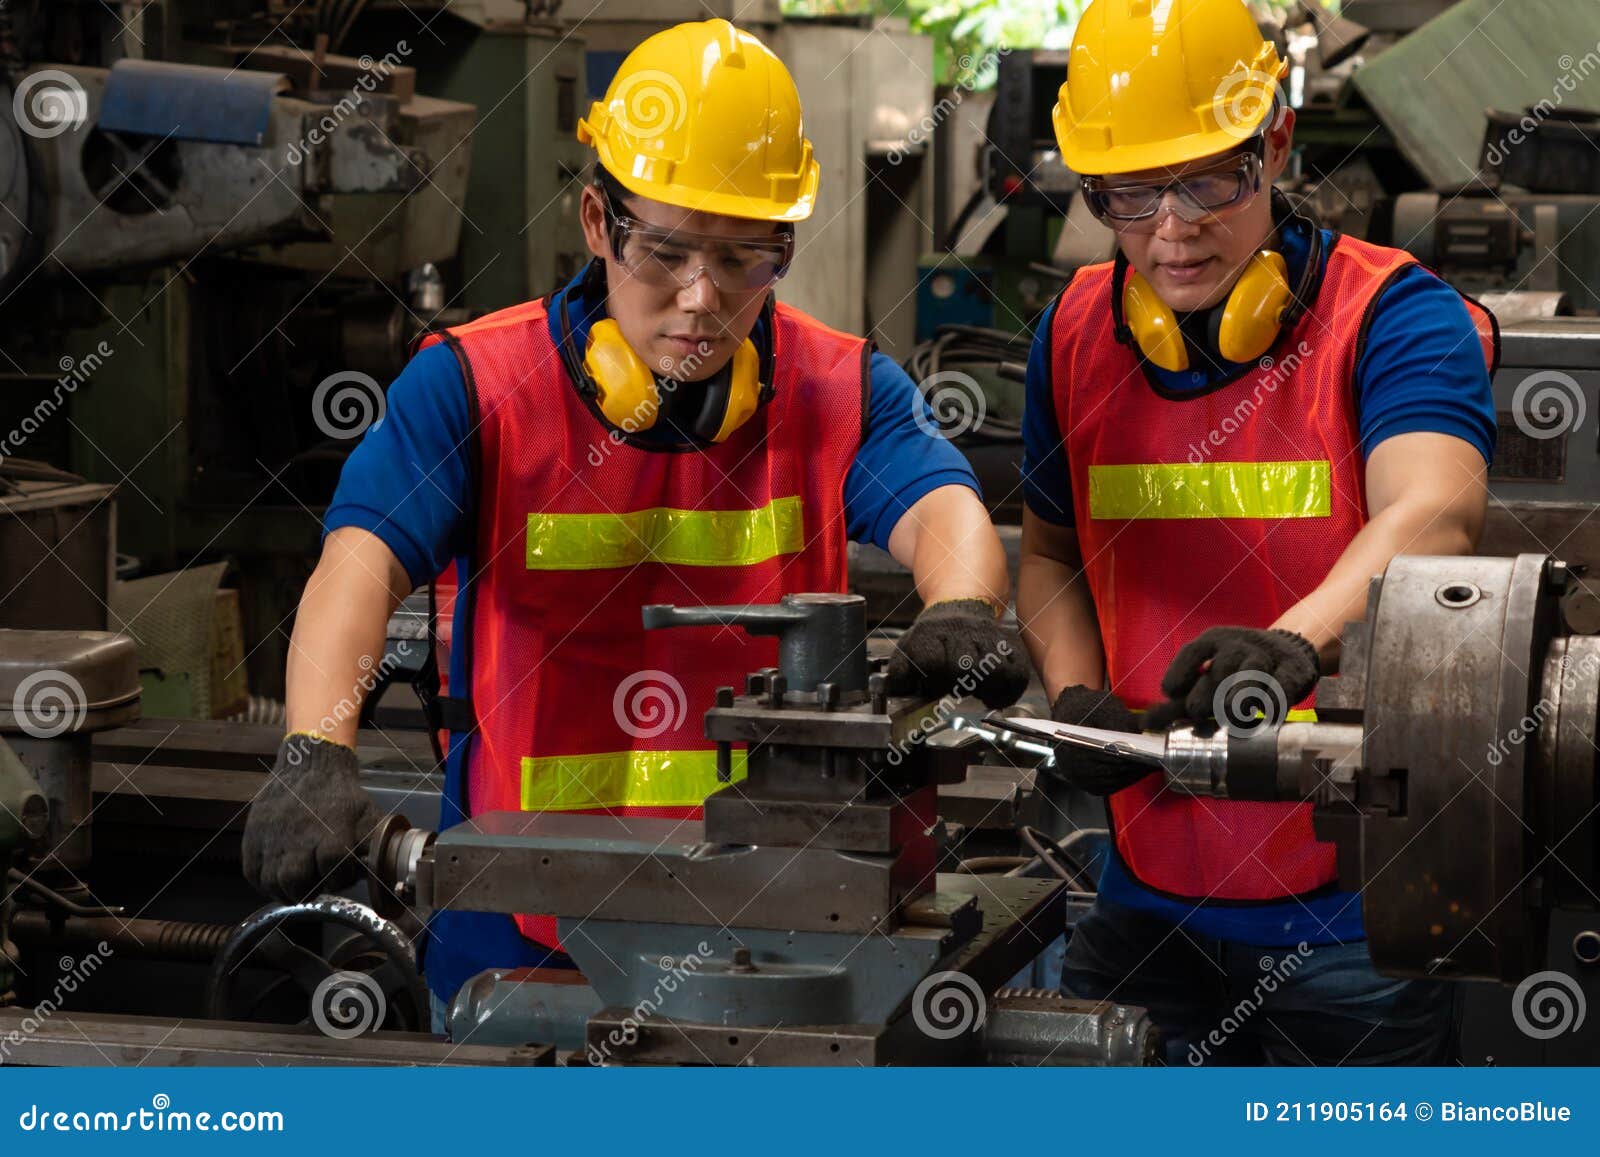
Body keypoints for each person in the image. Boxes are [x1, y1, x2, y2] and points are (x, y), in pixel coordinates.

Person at [239, 18, 1030, 1028]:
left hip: (782, 925)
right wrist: (316, 749)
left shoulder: (837, 385)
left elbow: (942, 506)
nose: (702, 301)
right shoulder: (476, 386)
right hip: (518, 925)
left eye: (747, 260)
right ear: (597, 221)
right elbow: (357, 564)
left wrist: (962, 603)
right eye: (665, 253)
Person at [1016, 0, 1498, 1064]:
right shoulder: (1071, 335)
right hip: (1142, 900)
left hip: (1355, 924)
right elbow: (1049, 554)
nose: (1171, 229)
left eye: (1206, 180)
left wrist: (1292, 643)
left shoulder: (1392, 314)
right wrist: (1070, 693)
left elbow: (1434, 510)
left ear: (1274, 140)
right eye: (1128, 194)